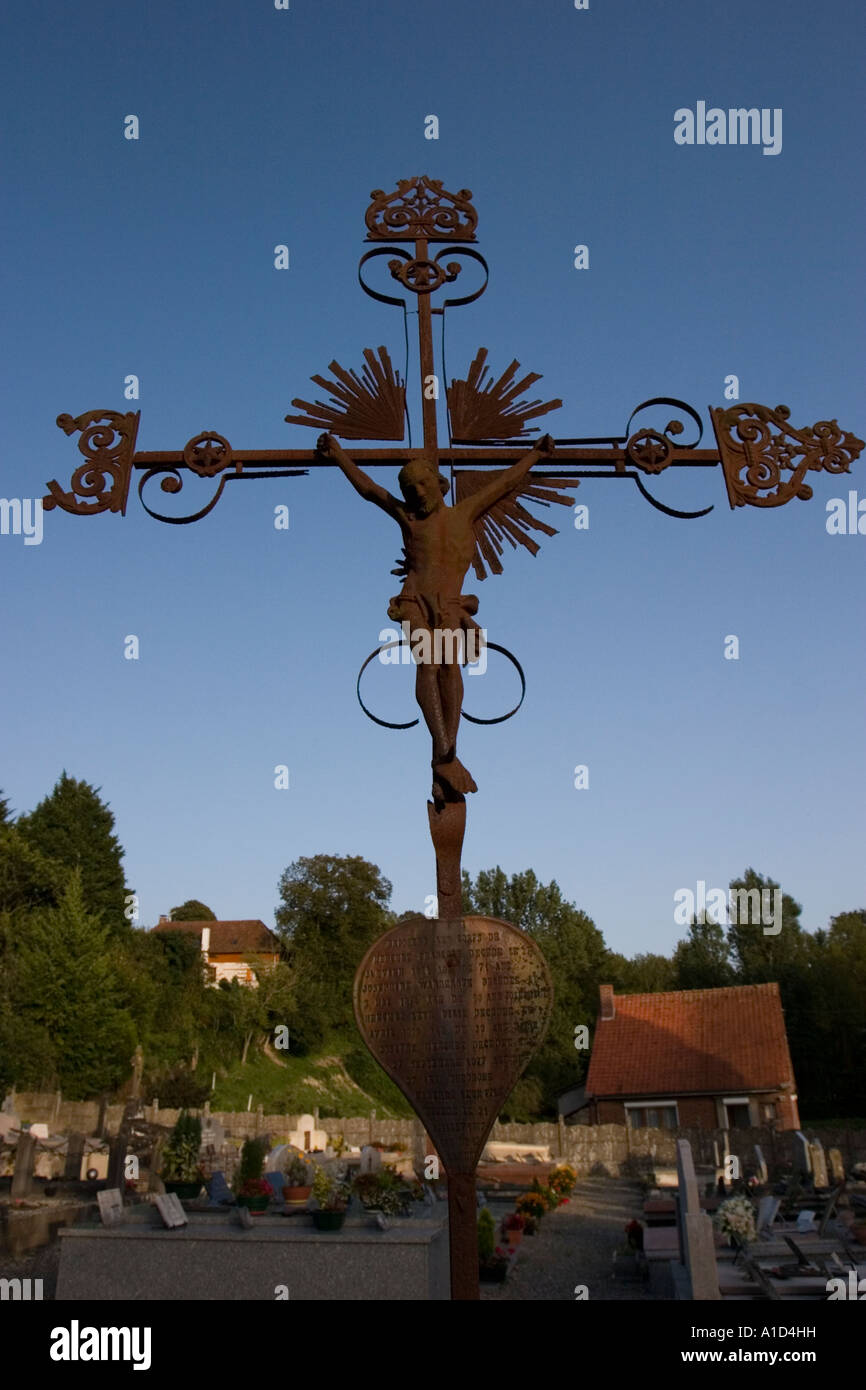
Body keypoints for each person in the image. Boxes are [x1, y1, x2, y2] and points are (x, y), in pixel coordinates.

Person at [317, 431, 555, 804]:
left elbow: (507, 482)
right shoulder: (408, 519)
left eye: (423, 484)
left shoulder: (465, 511)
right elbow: (369, 489)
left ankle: (446, 756)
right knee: (428, 665)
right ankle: (445, 752)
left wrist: (536, 455)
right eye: (410, 489)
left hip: (450, 604)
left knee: (450, 669)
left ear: (440, 484)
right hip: (413, 599)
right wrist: (338, 455)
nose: (417, 494)